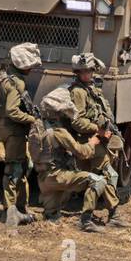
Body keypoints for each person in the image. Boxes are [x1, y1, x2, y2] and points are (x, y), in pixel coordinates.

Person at [34, 87, 111, 233]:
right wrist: (92, 143)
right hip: (58, 176)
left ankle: (28, 217)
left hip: (43, 179)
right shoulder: (59, 132)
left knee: (50, 217)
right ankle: (86, 221)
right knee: (98, 180)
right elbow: (82, 153)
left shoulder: (37, 127)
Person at [66, 52, 129, 228]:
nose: (87, 74)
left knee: (97, 178)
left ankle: (98, 216)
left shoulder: (92, 89)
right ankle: (95, 217)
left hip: (97, 139)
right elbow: (77, 121)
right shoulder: (78, 92)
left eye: (90, 71)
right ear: (77, 73)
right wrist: (98, 130)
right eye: (83, 71)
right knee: (107, 175)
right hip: (89, 140)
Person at [0, 42, 41, 226]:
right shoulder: (16, 83)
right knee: (14, 169)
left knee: (23, 166)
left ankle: (20, 209)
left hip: (10, 129)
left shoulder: (9, 79)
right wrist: (32, 120)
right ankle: (11, 211)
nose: (31, 68)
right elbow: (12, 111)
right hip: (14, 131)